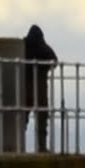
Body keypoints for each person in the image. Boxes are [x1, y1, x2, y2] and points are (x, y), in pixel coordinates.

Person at [22, 23, 58, 153]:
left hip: (24, 88)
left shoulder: (23, 46)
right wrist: (44, 68)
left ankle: (19, 145)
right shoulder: (43, 48)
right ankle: (41, 146)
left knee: (22, 118)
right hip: (41, 88)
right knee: (42, 118)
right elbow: (54, 61)